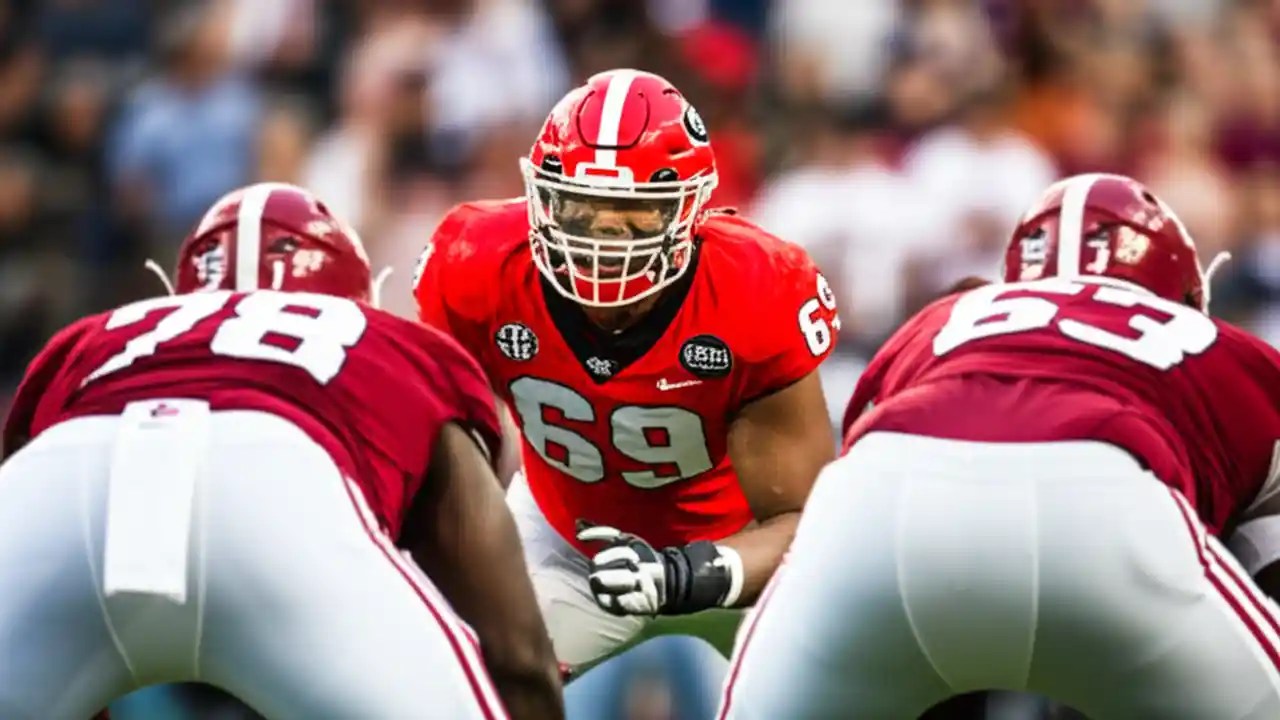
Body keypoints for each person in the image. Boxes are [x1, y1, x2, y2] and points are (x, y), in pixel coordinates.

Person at [717, 173, 1280, 719]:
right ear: (1180, 291)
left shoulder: (941, 319)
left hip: (882, 501)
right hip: (1104, 503)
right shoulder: (1217, 344)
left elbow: (872, 429)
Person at [0, 183, 562, 720]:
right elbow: (514, 654)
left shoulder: (90, 338)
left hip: (67, 475)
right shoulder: (389, 340)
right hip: (279, 479)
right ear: (356, 295)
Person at [413, 69, 839, 666]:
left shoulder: (755, 290)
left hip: (737, 560)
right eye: (582, 207)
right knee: (450, 686)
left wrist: (689, 574)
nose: (607, 233)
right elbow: (427, 445)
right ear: (542, 197)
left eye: (635, 212)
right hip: (563, 539)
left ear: (690, 209)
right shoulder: (477, 263)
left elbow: (804, 520)